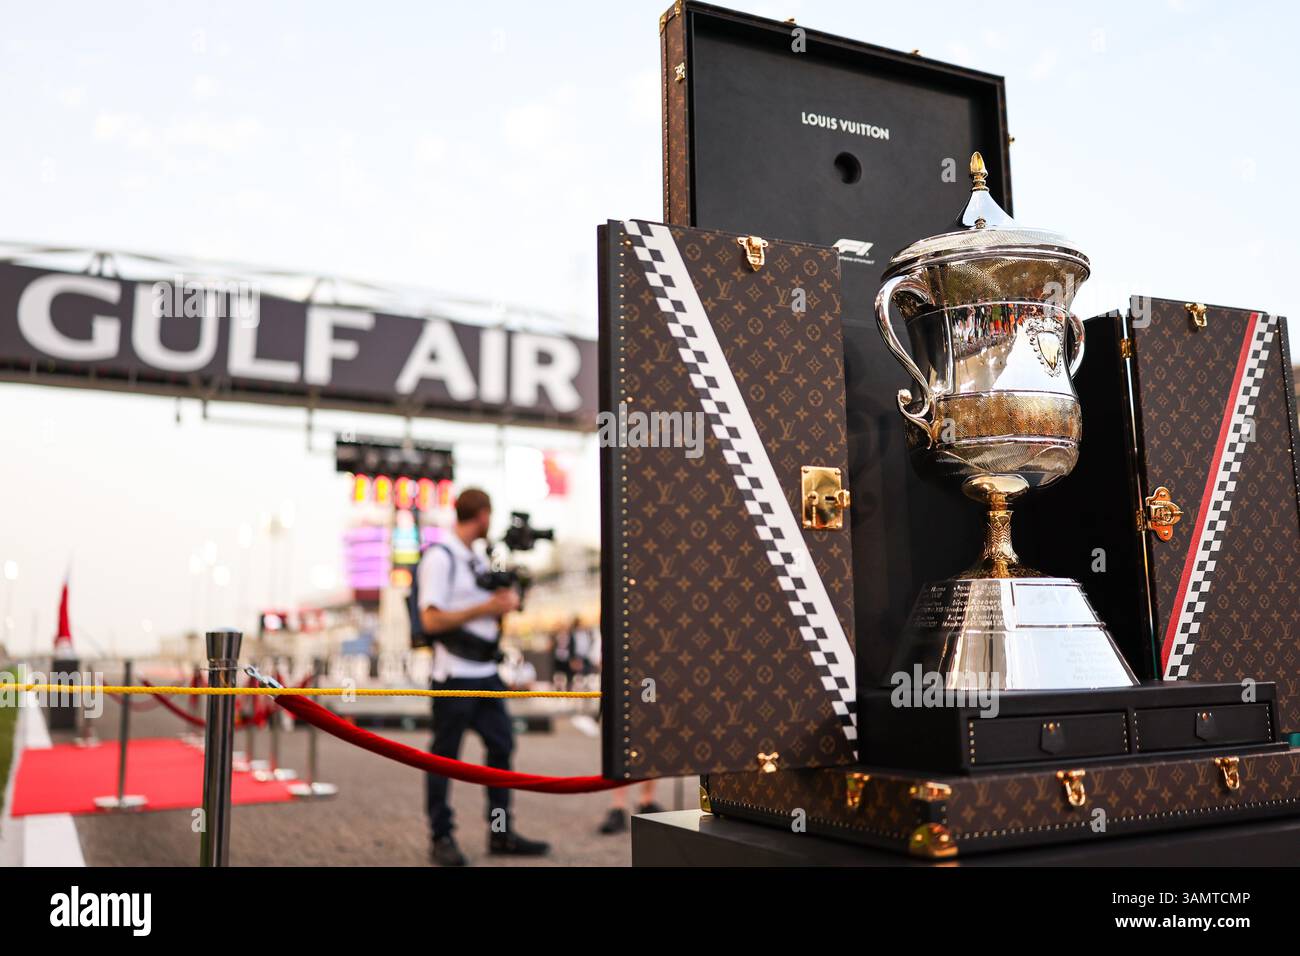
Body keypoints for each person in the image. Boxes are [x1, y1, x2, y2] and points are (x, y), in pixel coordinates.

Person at [418, 488, 550, 866]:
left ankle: (500, 832)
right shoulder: (441, 558)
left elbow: (488, 610)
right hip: (454, 674)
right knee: (445, 758)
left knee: (502, 747)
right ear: (481, 515)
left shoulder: (476, 558)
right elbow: (430, 619)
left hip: (485, 672)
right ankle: (441, 837)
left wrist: (505, 604)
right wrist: (486, 607)